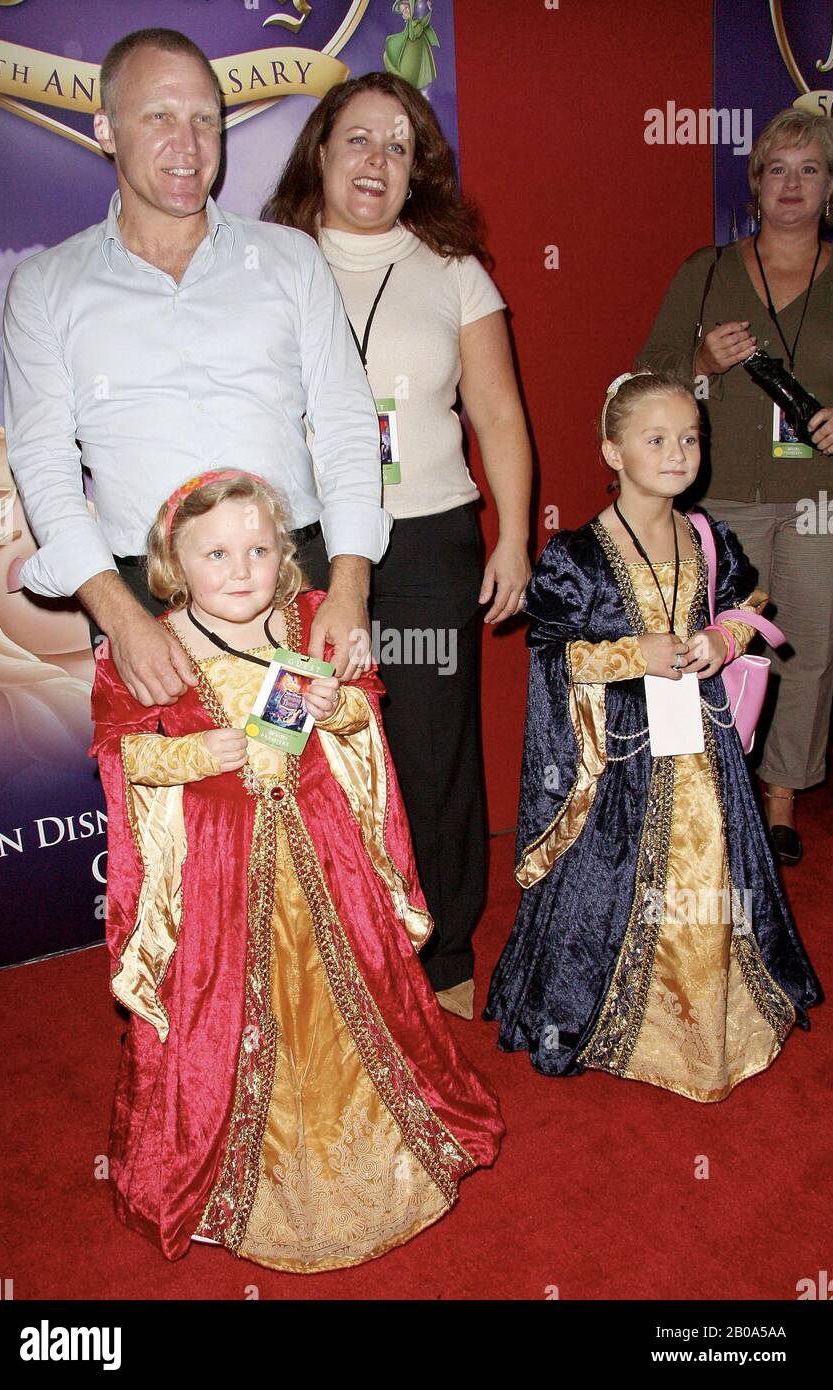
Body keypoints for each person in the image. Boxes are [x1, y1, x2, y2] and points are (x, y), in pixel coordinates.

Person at [90, 468, 504, 1269]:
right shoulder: (151, 646)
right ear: (173, 564)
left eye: (257, 550)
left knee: (353, 992)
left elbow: (365, 702)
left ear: (284, 553)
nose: (240, 570)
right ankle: (229, 1168)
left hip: (327, 849)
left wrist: (337, 706)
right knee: (228, 1011)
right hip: (220, 869)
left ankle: (382, 1135)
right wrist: (191, 755)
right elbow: (120, 752)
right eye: (215, 554)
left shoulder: (310, 618)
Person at [2, 27, 388, 712]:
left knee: (311, 779)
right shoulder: (44, 288)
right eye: (159, 116)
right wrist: (120, 620)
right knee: (179, 782)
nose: (188, 144)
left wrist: (351, 588)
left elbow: (347, 425)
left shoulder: (291, 260)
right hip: (141, 599)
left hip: (297, 580)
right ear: (105, 129)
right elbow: (44, 466)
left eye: (205, 119)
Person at [264, 72, 532, 1018]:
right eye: (359, 139)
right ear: (321, 150)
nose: (377, 160)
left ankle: (445, 951)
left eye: (399, 145)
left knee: (430, 752)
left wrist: (513, 538)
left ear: (419, 170)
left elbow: (499, 415)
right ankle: (314, 947)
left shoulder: (452, 269)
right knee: (292, 742)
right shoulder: (265, 260)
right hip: (294, 547)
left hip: (425, 546)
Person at [483, 372, 820, 1102]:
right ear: (613, 451)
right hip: (620, 764)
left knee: (714, 875)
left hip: (705, 747)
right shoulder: (577, 555)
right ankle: (608, 1012)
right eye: (656, 439)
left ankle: (713, 1011)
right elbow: (555, 656)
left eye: (690, 439)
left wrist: (725, 641)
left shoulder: (709, 535)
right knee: (609, 883)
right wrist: (635, 653)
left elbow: (746, 603)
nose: (677, 453)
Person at [637, 108, 833, 865]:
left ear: (830, 187)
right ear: (755, 185)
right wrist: (701, 362)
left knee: (808, 649)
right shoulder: (709, 270)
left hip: (819, 499)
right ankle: (716, 790)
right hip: (721, 496)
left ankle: (782, 798)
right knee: (714, 647)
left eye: (809, 170)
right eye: (777, 169)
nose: (792, 185)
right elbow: (647, 373)